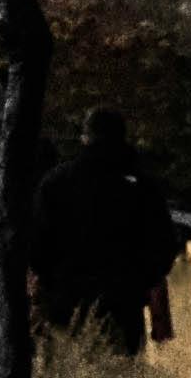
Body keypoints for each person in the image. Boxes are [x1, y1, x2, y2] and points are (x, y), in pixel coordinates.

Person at [33, 108, 178, 358]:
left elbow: (36, 246)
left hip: (66, 304)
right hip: (123, 305)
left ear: (85, 138)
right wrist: (141, 281)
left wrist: (52, 283)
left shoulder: (56, 183)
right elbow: (163, 245)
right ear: (122, 137)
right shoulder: (142, 187)